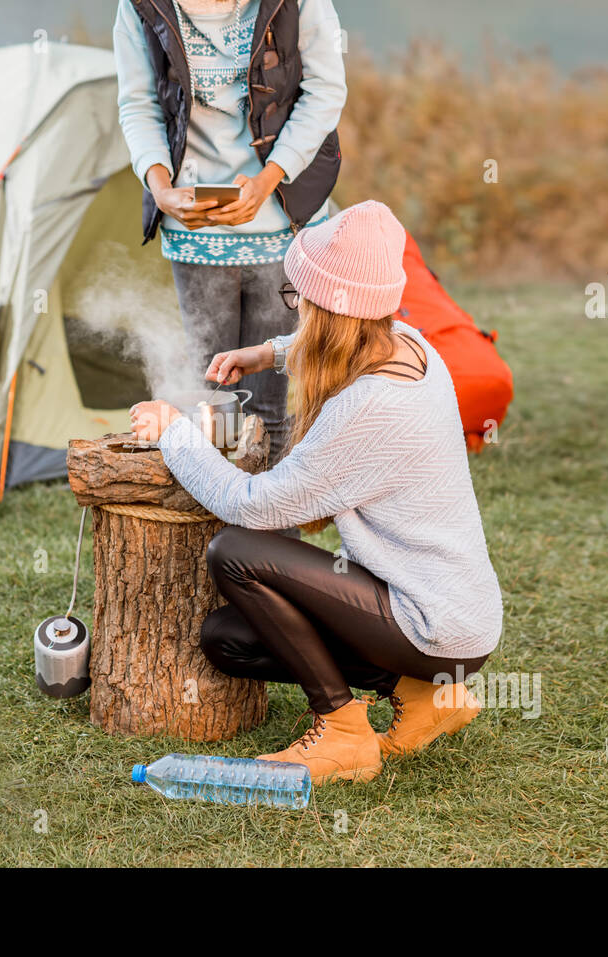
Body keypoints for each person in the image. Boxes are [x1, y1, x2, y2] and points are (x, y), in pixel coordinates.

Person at [129, 201, 504, 785]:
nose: (294, 305)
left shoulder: (367, 408)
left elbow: (255, 506)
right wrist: (268, 353)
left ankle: (343, 735)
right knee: (229, 640)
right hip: (456, 616)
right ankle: (426, 697)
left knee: (237, 552)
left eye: (297, 297)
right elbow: (336, 343)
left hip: (433, 625)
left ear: (328, 310)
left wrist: (175, 432)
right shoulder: (412, 345)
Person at [113, 0, 346, 465]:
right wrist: (160, 189)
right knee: (213, 406)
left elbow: (325, 91)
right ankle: (220, 534)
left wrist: (267, 180)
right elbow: (137, 104)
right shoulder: (141, 5)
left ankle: (271, 530)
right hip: (193, 233)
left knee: (268, 407)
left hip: (282, 221)